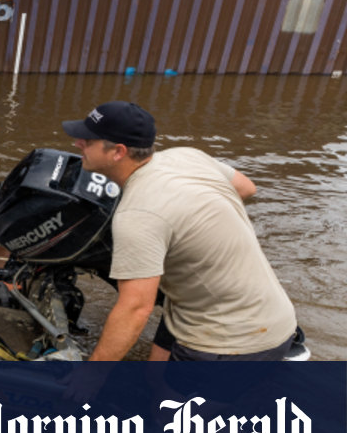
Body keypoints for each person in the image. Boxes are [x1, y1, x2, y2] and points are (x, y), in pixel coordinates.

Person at [62, 101, 297, 361]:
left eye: (88, 140)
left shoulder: (138, 215)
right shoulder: (186, 156)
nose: (78, 143)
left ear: (118, 151)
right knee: (154, 375)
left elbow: (135, 309)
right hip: (269, 312)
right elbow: (246, 187)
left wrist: (90, 376)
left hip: (232, 342)